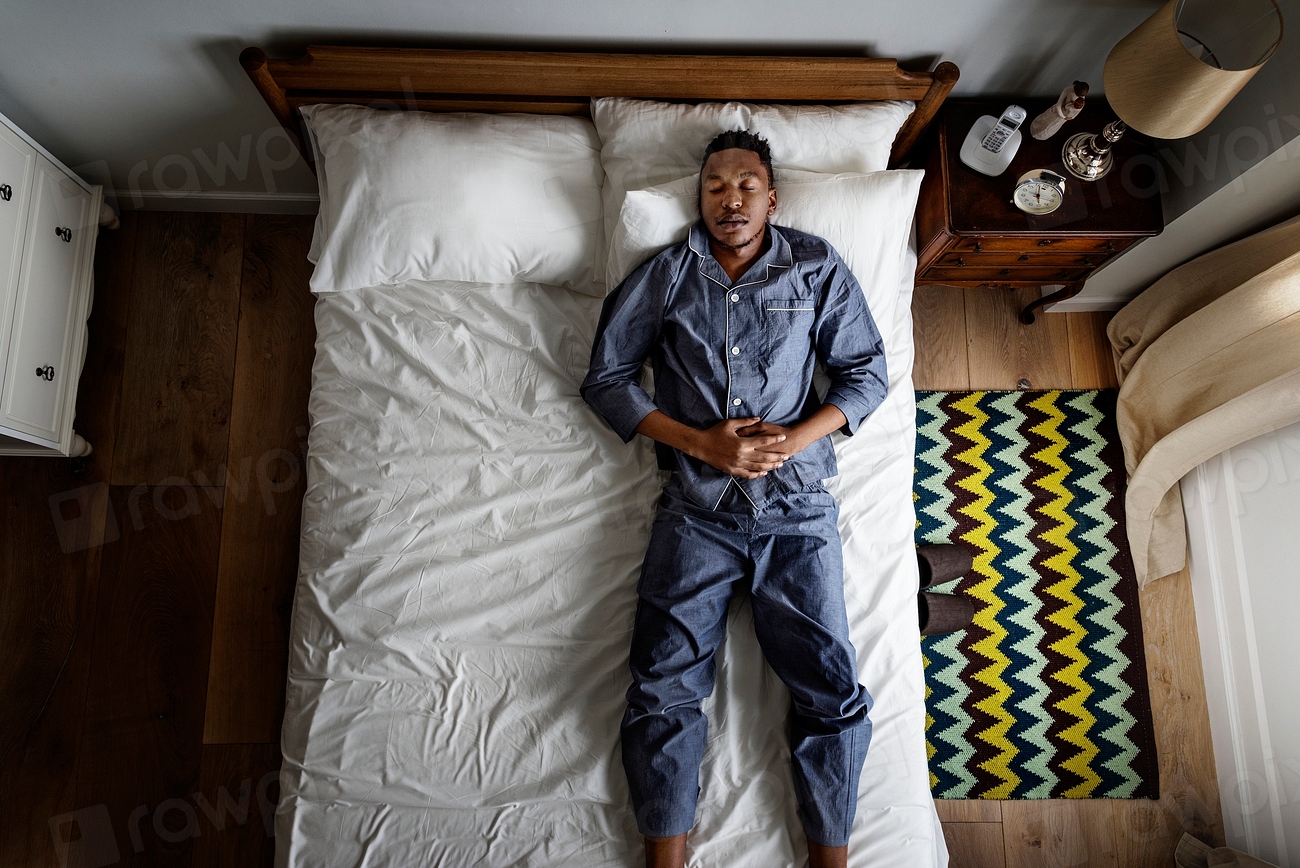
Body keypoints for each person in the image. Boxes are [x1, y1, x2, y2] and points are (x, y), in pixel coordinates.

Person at [580, 130, 889, 868]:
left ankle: (830, 858)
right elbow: (606, 379)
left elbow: (866, 375)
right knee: (662, 684)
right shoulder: (665, 277)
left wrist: (794, 438)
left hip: (798, 510)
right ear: (700, 200)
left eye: (747, 185)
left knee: (831, 685)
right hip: (696, 509)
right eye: (716, 187)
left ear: (772, 198)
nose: (731, 199)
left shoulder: (814, 267)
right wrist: (702, 444)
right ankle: (666, 858)